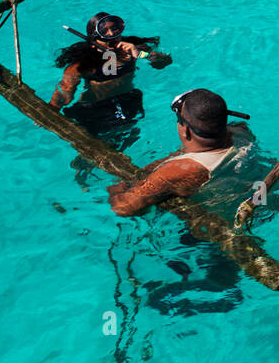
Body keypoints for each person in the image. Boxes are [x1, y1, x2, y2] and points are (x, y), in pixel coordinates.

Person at [107, 89, 252, 217]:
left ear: (186, 131)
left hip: (217, 222)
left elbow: (122, 208)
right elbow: (184, 154)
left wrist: (116, 187)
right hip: (250, 198)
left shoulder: (180, 170)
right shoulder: (241, 131)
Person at [49, 12, 172, 132]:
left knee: (130, 138)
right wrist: (51, 113)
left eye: (114, 28)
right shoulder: (83, 65)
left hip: (127, 101)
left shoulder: (132, 48)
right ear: (94, 39)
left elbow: (164, 62)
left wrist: (140, 54)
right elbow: (63, 93)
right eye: (105, 31)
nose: (112, 34)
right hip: (94, 109)